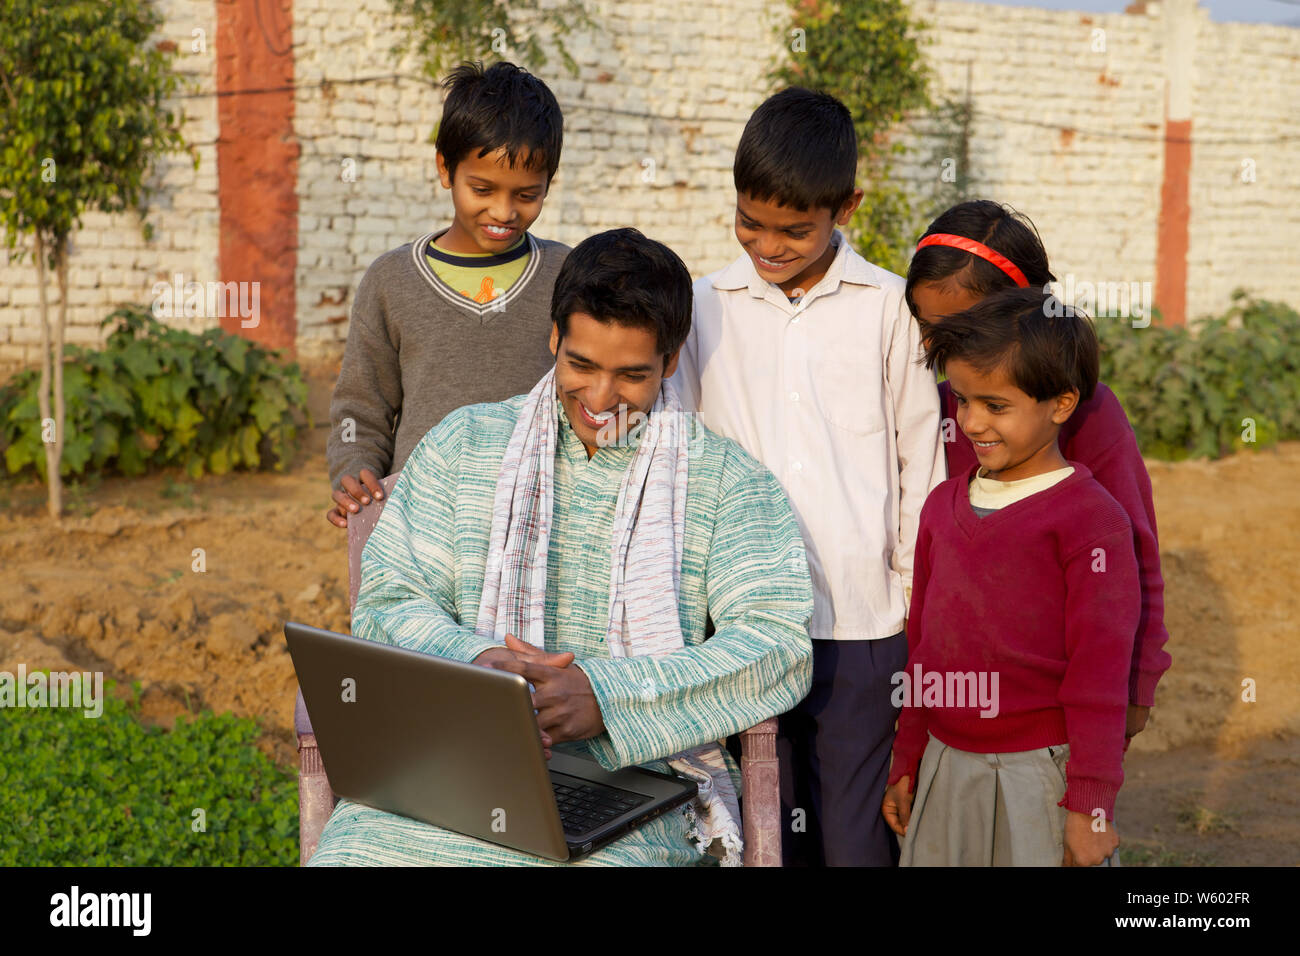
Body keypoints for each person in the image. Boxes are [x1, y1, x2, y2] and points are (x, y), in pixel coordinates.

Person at [308, 228, 815, 866]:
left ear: (674, 357)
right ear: (553, 338)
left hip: (643, 789)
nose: (601, 400)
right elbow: (389, 599)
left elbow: (777, 644)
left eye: (632, 374)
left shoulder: (725, 481)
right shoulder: (465, 444)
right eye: (582, 365)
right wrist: (481, 666)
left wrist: (605, 698)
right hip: (451, 767)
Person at [671, 88, 945, 866]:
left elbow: (919, 464)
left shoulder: (889, 308)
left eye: (795, 229)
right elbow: (684, 457)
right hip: (741, 626)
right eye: (750, 222)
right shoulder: (705, 306)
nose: (769, 244)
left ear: (846, 207)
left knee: (856, 838)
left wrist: (916, 607)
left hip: (861, 627)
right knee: (763, 827)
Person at [882, 286, 1139, 866]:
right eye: (964, 400)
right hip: (945, 764)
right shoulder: (941, 506)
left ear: (1062, 403)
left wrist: (1090, 806)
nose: (971, 422)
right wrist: (908, 757)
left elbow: (1100, 676)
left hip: (1040, 774)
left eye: (995, 406)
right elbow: (924, 645)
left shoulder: (1092, 523)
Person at [905, 200, 1171, 740]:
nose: (941, 345)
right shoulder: (935, 407)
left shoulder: (1090, 414)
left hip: (1053, 704)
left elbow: (1135, 553)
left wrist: (1138, 682)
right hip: (954, 703)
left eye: (963, 326)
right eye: (928, 327)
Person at [325, 60, 570, 527]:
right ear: (445, 168)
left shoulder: (566, 276)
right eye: (482, 188)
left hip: (535, 524)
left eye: (526, 195)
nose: (504, 210)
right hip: (419, 524)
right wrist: (354, 472)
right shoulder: (392, 281)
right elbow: (362, 406)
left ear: (548, 184)